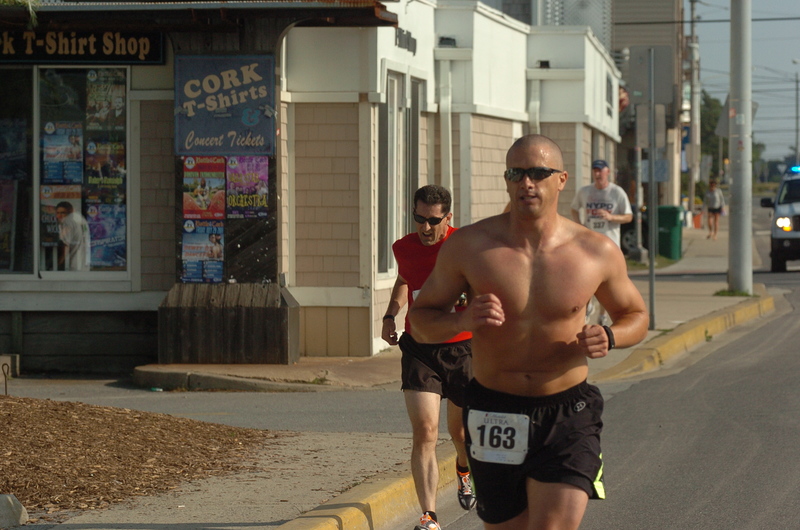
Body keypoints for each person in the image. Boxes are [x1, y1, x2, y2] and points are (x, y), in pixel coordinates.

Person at [409, 135, 649, 530]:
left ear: (561, 180)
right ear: (506, 180)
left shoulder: (595, 251)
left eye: (538, 172)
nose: (527, 183)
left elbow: (635, 314)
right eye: (516, 173)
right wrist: (461, 322)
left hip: (567, 412)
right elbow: (421, 319)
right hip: (493, 409)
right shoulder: (470, 246)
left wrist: (611, 336)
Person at [381, 185, 475, 530]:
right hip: (420, 347)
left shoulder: (465, 245)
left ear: (448, 218)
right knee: (425, 432)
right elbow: (404, 279)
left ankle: (463, 469)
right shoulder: (403, 247)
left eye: (433, 221)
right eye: (419, 218)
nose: (425, 227)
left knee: (460, 433)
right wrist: (390, 315)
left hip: (462, 347)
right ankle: (430, 515)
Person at [570, 159, 633, 326]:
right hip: (589, 244)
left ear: (608, 172)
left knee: (606, 283)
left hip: (610, 245)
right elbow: (574, 208)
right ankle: (589, 305)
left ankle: (603, 314)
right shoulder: (585, 191)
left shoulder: (617, 192)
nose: (597, 174)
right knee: (587, 278)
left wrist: (611, 217)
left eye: (601, 170)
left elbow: (628, 216)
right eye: (595, 170)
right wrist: (580, 226)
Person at [55, 201, 90, 271]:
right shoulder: (81, 219)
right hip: (84, 265)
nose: (59, 216)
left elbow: (65, 246)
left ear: (69, 212)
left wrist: (57, 264)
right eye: (58, 213)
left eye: (63, 213)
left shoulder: (67, 221)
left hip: (72, 266)